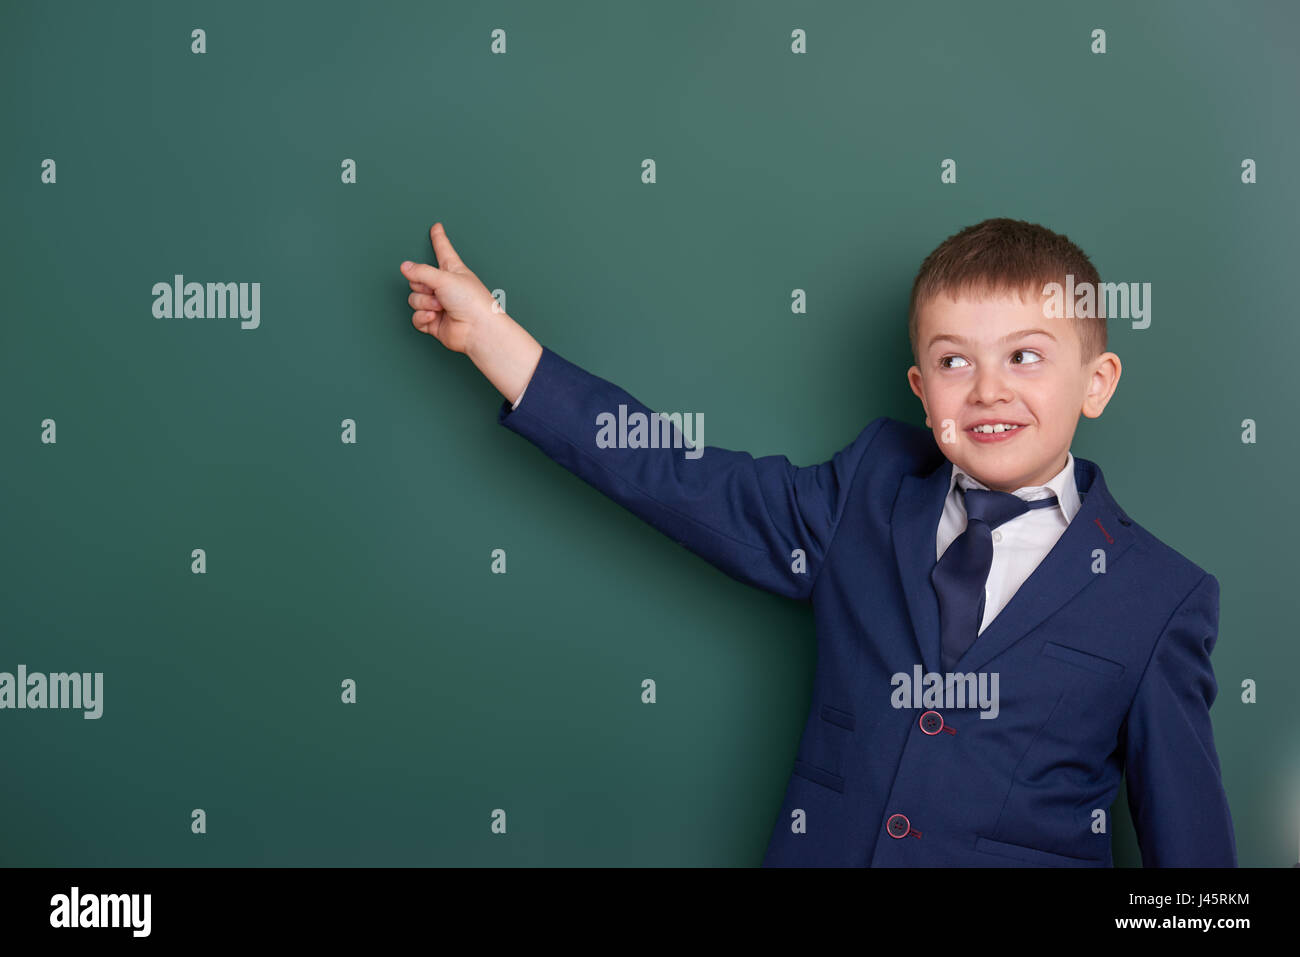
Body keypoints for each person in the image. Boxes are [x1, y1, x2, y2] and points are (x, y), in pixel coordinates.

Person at [398, 217, 1235, 866]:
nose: (988, 390)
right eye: (954, 361)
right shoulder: (865, 493)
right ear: (919, 386)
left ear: (1096, 383)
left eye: (1025, 356)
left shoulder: (1160, 598)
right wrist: (497, 344)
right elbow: (677, 476)